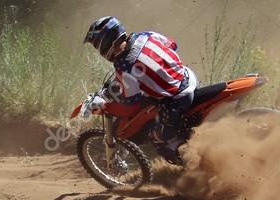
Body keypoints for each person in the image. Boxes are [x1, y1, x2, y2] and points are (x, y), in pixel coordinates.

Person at [83, 16, 198, 165]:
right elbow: (172, 45)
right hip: (189, 77)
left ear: (105, 43)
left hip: (177, 99)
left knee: (157, 138)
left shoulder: (125, 67)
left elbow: (131, 105)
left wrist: (106, 106)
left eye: (97, 46)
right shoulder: (146, 35)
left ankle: (189, 165)